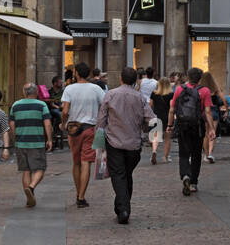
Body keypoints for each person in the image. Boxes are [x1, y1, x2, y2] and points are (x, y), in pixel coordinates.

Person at [96, 67, 149, 224]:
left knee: (119, 175)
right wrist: (144, 130)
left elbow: (101, 120)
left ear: (120, 78)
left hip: (114, 142)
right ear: (135, 81)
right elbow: (152, 119)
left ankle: (123, 209)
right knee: (126, 174)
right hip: (133, 143)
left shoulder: (110, 95)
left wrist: (99, 140)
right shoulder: (140, 97)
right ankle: (122, 207)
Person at [61, 62, 105, 208]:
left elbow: (65, 111)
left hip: (74, 129)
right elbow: (104, 106)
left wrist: (63, 123)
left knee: (76, 162)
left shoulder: (69, 89)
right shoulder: (96, 89)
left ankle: (78, 193)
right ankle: (81, 196)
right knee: (87, 162)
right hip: (90, 128)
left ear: (77, 74)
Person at [166, 67, 213, 196]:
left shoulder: (179, 89)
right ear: (200, 78)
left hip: (182, 125)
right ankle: (193, 182)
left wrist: (170, 125)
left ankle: (185, 175)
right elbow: (208, 111)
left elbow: (172, 109)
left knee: (184, 152)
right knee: (196, 154)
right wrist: (212, 129)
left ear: (187, 76)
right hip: (197, 126)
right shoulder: (205, 91)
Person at [9, 82, 52, 207]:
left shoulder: (15, 105)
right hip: (36, 142)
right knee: (40, 169)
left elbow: (12, 124)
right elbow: (47, 123)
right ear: (37, 92)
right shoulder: (41, 105)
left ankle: (29, 199)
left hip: (21, 142)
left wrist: (15, 137)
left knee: (26, 170)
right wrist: (49, 139)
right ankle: (32, 188)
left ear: (24, 92)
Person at [201, 70, 223, 163]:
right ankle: (210, 153)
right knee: (212, 133)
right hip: (214, 112)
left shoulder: (201, 89)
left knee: (206, 134)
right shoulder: (215, 89)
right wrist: (225, 109)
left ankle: (206, 155)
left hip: (205, 112)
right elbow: (223, 100)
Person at [151, 78, 174, 164]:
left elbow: (150, 105)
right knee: (167, 139)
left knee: (156, 136)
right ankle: (165, 157)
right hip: (167, 117)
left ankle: (154, 151)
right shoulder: (171, 94)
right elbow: (172, 106)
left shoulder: (154, 94)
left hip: (156, 116)